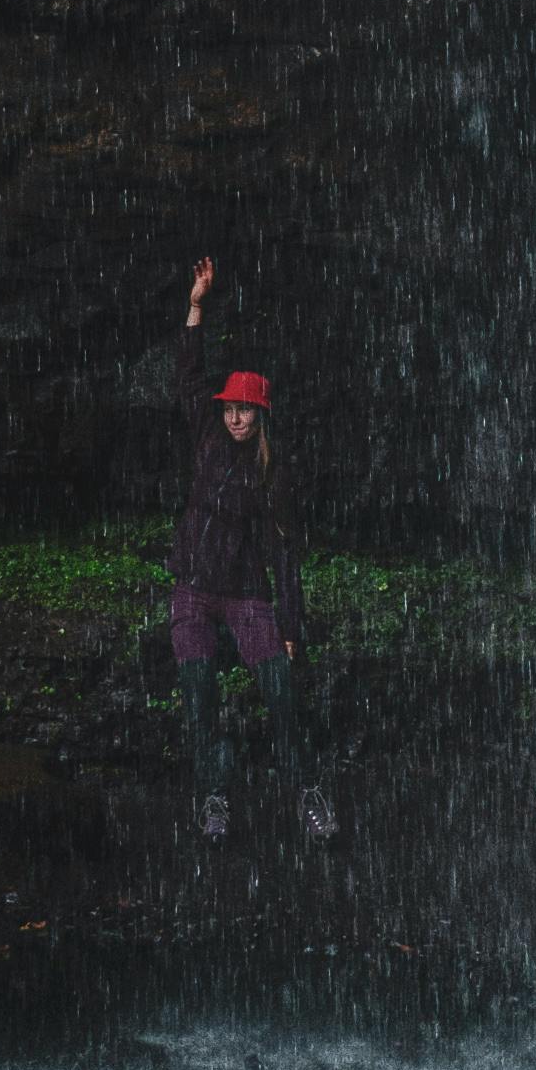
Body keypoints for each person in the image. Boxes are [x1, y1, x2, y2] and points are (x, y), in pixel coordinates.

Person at [173, 256, 333, 845]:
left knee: (281, 691)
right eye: (230, 408)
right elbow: (190, 376)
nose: (236, 418)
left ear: (260, 415)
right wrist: (196, 304)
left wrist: (289, 623)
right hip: (193, 588)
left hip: (245, 595)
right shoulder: (208, 436)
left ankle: (307, 791)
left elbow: (284, 554)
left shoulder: (273, 472)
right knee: (199, 694)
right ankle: (215, 799)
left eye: (246, 410)